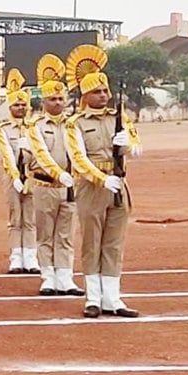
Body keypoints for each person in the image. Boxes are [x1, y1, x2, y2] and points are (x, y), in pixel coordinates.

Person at [65, 45, 143, 318]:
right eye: (96, 92)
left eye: (104, 91)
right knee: (92, 241)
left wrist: (127, 145)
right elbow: (78, 158)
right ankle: (93, 298)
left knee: (113, 243)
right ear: (85, 96)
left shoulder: (119, 117)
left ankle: (113, 298)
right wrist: (100, 179)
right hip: (91, 187)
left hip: (118, 184)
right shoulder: (74, 123)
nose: (102, 95)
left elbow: (136, 144)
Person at [26, 55, 84, 296]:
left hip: (70, 187)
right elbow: (40, 156)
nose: (57, 103)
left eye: (61, 98)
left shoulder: (74, 124)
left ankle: (65, 277)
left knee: (65, 234)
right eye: (52, 99)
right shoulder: (35, 126)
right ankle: (47, 276)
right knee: (45, 233)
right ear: (43, 102)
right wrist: (59, 174)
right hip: (45, 185)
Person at [0, 69, 39, 275]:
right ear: (10, 107)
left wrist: (29, 173)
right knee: (15, 218)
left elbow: (41, 154)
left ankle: (30, 256)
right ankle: (15, 257)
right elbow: (6, 154)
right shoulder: (3, 129)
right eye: (16, 105)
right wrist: (16, 177)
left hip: (33, 176)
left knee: (30, 218)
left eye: (23, 105)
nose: (20, 108)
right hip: (12, 176)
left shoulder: (35, 127)